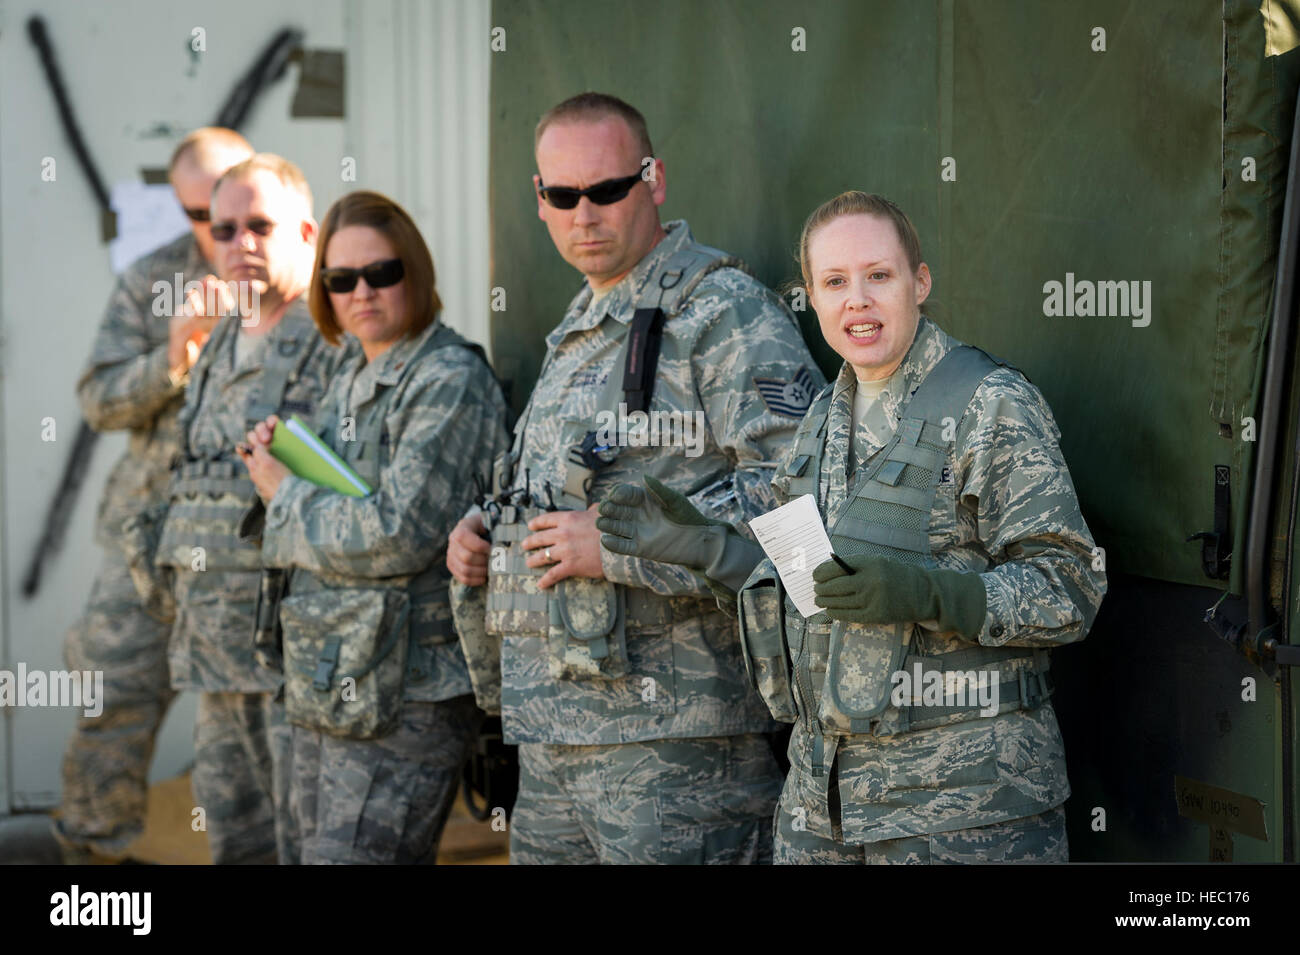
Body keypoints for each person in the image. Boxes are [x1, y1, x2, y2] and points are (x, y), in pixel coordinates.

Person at [598, 191, 1106, 863]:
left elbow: (1071, 586)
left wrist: (930, 594)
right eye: (835, 282)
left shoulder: (990, 404)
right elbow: (809, 587)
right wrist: (710, 550)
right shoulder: (820, 420)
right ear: (811, 297)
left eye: (879, 275)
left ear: (919, 282)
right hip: (822, 807)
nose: (857, 300)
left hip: (967, 810)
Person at [446, 92, 825, 864]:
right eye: (562, 195)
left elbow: (804, 511)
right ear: (539, 199)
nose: (583, 214)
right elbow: (563, 489)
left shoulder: (722, 313)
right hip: (553, 735)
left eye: (607, 189)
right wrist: (491, 526)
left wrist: (619, 547)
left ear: (654, 180)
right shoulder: (582, 325)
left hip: (679, 755)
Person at [239, 190, 509, 864]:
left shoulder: (447, 379)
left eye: (381, 272)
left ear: (414, 272)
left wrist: (285, 494)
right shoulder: (351, 370)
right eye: (340, 279)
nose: (361, 292)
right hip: (332, 674)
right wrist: (285, 458)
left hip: (405, 691)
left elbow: (399, 533)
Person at [55, 128, 253, 862]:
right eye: (197, 213)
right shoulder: (154, 278)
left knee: (251, 717)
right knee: (113, 698)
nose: (216, 228)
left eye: (227, 204)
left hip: (254, 543)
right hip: (149, 538)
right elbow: (98, 400)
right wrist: (170, 359)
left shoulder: (300, 268)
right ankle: (92, 867)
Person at [154, 153, 347, 864]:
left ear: (307, 232)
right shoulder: (219, 340)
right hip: (214, 651)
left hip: (293, 656)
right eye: (224, 228)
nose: (240, 244)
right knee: (237, 845)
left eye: (260, 226)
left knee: (307, 843)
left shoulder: (336, 338)